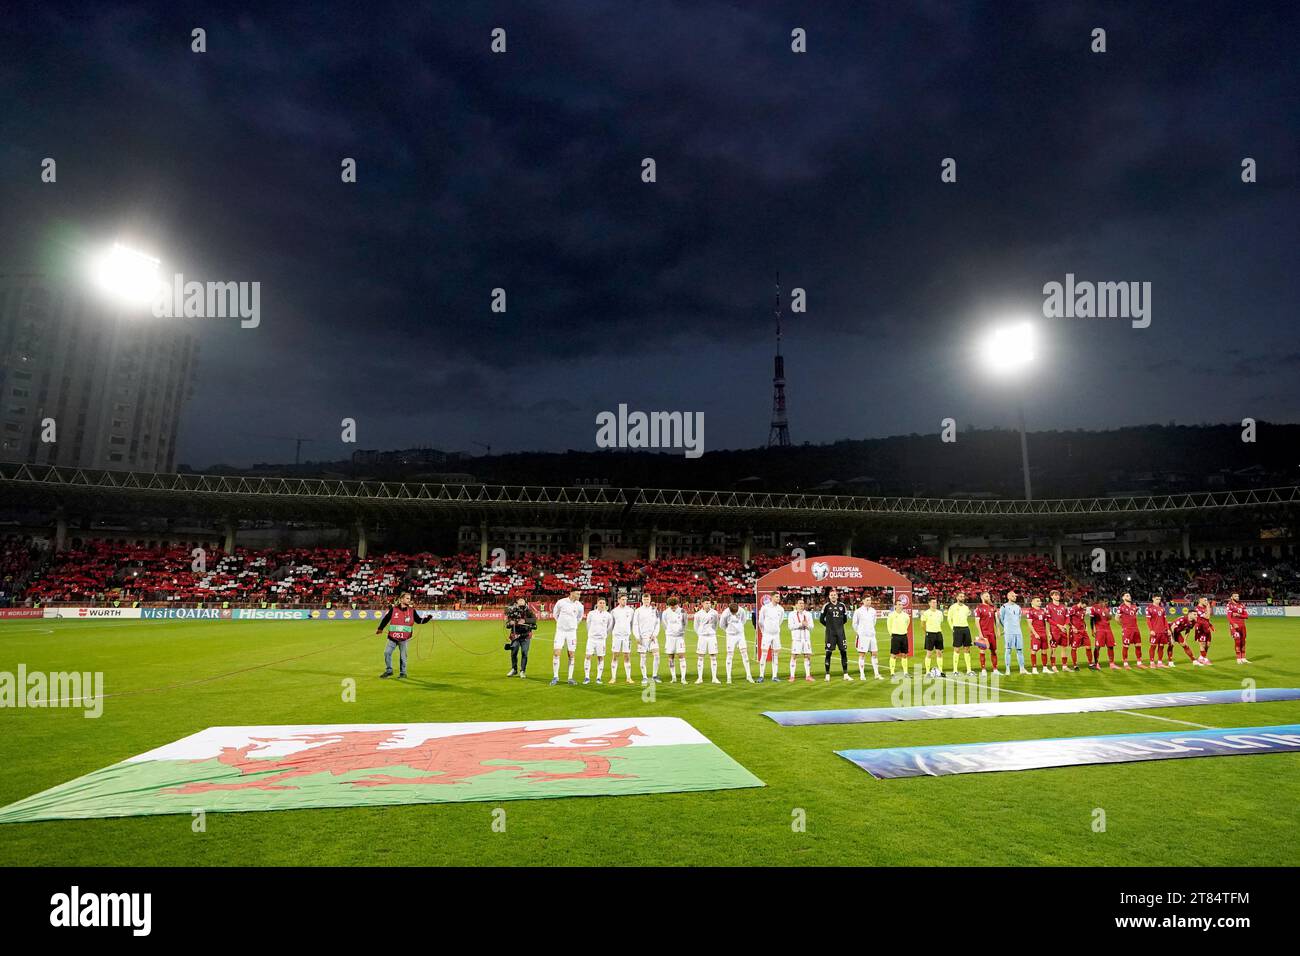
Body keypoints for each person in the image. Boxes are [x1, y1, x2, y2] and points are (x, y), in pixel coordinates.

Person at [375, 591, 432, 679]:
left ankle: (403, 673)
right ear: (401, 599)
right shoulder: (393, 609)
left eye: (410, 598)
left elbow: (418, 620)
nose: (409, 600)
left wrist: (427, 619)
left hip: (404, 639)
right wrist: (380, 628)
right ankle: (389, 671)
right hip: (392, 637)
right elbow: (386, 619)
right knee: (387, 653)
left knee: (403, 656)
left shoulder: (412, 610)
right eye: (407, 598)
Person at [551, 590, 585, 685]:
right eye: (577, 594)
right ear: (571, 593)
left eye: (579, 594)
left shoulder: (579, 606)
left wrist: (573, 625)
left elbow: (579, 618)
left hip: (572, 632)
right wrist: (561, 624)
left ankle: (570, 678)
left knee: (571, 654)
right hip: (560, 631)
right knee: (556, 653)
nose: (579, 596)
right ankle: (555, 677)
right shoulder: (561, 602)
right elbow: (555, 614)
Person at [820, 588, 853, 681]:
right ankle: (827, 674)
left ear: (837, 596)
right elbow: (821, 619)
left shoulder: (842, 605)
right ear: (829, 597)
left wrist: (838, 626)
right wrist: (829, 627)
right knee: (828, 653)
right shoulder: (826, 606)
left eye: (834, 595)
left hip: (841, 633)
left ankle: (846, 674)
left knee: (843, 652)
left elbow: (845, 619)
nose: (833, 596)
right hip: (830, 634)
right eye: (831, 595)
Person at [720, 601, 754, 683]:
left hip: (740, 635)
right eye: (733, 613)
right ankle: (729, 677)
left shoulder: (741, 610)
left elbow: (744, 620)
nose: (735, 614)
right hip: (730, 636)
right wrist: (729, 630)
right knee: (730, 655)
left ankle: (749, 676)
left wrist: (739, 629)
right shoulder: (725, 613)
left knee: (745, 654)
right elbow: (722, 625)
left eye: (736, 612)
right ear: (730, 610)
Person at [504, 596, 538, 678]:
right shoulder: (512, 611)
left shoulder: (529, 611)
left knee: (524, 653)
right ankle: (514, 669)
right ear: (517, 604)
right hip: (515, 635)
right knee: (514, 652)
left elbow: (534, 620)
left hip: (525, 636)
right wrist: (510, 623)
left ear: (525, 604)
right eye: (520, 605)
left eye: (522, 605)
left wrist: (525, 620)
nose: (521, 607)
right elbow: (507, 625)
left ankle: (522, 671)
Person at [756, 594, 785, 682]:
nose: (778, 598)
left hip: (776, 635)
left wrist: (775, 628)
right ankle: (761, 676)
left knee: (775, 655)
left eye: (779, 597)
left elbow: (780, 620)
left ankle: (774, 676)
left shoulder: (781, 609)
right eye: (776, 597)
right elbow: (760, 621)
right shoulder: (765, 608)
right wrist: (763, 631)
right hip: (767, 634)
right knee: (764, 654)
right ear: (772, 598)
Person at [633, 592, 661, 684]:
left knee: (657, 655)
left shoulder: (654, 610)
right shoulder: (638, 611)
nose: (646, 601)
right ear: (642, 600)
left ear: (650, 600)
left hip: (652, 637)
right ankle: (644, 677)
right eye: (644, 599)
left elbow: (657, 623)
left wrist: (655, 634)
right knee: (643, 657)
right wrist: (637, 636)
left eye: (647, 599)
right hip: (642, 638)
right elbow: (635, 624)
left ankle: (654, 676)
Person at [852, 594, 882, 680]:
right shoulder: (858, 611)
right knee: (862, 654)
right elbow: (854, 624)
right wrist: (860, 632)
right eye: (867, 600)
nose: (869, 602)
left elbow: (874, 622)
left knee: (874, 654)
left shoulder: (873, 611)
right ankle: (862, 674)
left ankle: (876, 674)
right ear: (863, 601)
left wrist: (870, 630)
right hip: (863, 636)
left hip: (872, 636)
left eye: (870, 600)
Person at [998, 590, 1027, 675]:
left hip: (1018, 631)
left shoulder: (1018, 607)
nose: (1015, 597)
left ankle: (1022, 668)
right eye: (1012, 596)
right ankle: (1007, 669)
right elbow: (1001, 619)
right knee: (1008, 650)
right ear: (1008, 597)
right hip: (1009, 632)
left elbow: (1019, 618)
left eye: (1015, 596)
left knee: (1020, 650)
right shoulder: (1004, 607)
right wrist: (1006, 628)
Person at [584, 597, 612, 684]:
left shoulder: (608, 615)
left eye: (603, 603)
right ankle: (587, 677)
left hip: (601, 640)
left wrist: (604, 635)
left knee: (600, 657)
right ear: (597, 604)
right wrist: (591, 634)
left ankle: (598, 678)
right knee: (588, 656)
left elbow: (609, 628)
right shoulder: (591, 613)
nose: (602, 604)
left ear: (605, 604)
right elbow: (588, 625)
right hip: (591, 639)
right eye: (600, 603)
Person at [693, 598, 721, 684]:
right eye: (706, 603)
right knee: (700, 656)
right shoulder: (698, 614)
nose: (708, 605)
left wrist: (712, 632)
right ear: (702, 603)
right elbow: (696, 626)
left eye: (709, 603)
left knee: (713, 656)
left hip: (712, 637)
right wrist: (701, 634)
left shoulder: (715, 613)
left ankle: (714, 678)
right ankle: (700, 678)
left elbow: (716, 624)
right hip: (702, 637)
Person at [609, 593, 636, 684]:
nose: (624, 601)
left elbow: (632, 624)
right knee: (615, 655)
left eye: (625, 599)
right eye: (623, 599)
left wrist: (629, 632)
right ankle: (613, 678)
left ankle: (628, 678)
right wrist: (614, 633)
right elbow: (611, 624)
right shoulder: (614, 611)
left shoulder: (631, 611)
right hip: (616, 636)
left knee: (627, 656)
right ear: (618, 600)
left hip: (626, 637)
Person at [787, 598, 815, 682]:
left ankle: (808, 675)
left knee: (807, 656)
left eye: (802, 603)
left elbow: (812, 626)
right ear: (796, 605)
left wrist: (807, 625)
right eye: (799, 603)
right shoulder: (792, 614)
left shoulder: (808, 614)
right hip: (797, 639)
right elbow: (790, 626)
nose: (801, 605)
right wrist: (800, 624)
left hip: (806, 639)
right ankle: (792, 676)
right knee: (794, 656)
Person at [661, 596, 688, 683]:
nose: (673, 608)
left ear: (677, 604)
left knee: (681, 655)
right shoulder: (665, 612)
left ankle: (683, 678)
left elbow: (685, 623)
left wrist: (681, 632)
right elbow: (664, 624)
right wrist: (669, 631)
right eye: (671, 607)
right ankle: (673, 677)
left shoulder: (683, 611)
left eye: (674, 607)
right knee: (670, 656)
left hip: (679, 637)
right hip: (670, 637)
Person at [946, 591, 973, 675]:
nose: (962, 598)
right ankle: (955, 670)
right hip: (957, 628)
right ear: (957, 597)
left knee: (967, 649)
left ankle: (969, 670)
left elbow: (967, 615)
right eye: (960, 596)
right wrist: (953, 628)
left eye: (963, 596)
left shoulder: (966, 607)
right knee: (957, 649)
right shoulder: (952, 607)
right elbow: (949, 619)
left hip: (966, 628)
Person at [1117, 592, 1146, 669]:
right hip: (1127, 629)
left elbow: (1133, 616)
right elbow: (1117, 618)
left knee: (1138, 646)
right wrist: (1123, 625)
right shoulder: (1121, 607)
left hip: (1135, 629)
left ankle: (1139, 663)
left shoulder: (1134, 606)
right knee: (1126, 646)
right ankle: (1125, 663)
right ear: (1123, 598)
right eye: (1127, 596)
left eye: (1129, 595)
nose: (1129, 597)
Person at [1089, 595, 1117, 669]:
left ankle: (1112, 663)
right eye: (1105, 601)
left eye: (1107, 601)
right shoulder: (1094, 608)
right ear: (1101, 601)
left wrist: (1106, 612)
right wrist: (1092, 630)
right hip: (1099, 629)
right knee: (1097, 646)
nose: (1107, 603)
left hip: (1108, 629)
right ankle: (1096, 663)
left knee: (1110, 646)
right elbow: (1091, 620)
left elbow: (1110, 618)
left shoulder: (1107, 608)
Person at [974, 591, 998, 673]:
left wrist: (998, 630)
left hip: (992, 633)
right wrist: (980, 633)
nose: (989, 597)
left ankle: (995, 669)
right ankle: (983, 669)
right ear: (982, 597)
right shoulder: (979, 608)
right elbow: (977, 622)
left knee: (994, 651)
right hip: (984, 632)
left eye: (989, 596)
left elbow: (996, 620)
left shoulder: (993, 607)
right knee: (982, 650)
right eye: (986, 596)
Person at [1025, 596, 1051, 674]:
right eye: (1037, 601)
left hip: (1043, 634)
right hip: (1036, 635)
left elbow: (1046, 623)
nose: (1040, 602)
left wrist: (1048, 633)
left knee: (1044, 651)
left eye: (1040, 601)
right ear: (1032, 602)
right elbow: (1029, 624)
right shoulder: (1030, 611)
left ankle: (1045, 668)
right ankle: (1034, 668)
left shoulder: (1043, 611)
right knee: (1034, 651)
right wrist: (1035, 634)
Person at [886, 599, 911, 677]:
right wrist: (892, 634)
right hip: (895, 636)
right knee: (893, 655)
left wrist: (903, 631)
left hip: (904, 636)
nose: (901, 606)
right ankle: (892, 673)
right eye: (899, 604)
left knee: (904, 655)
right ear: (895, 606)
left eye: (901, 604)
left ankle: (905, 672)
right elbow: (889, 625)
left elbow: (907, 623)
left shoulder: (906, 615)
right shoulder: (891, 615)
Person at [1046, 590, 1070, 671]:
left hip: (1063, 630)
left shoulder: (1063, 606)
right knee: (1053, 649)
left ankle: (1064, 666)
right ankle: (1053, 666)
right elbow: (1048, 619)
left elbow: (1067, 617)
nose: (1057, 596)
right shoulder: (1049, 606)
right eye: (1055, 595)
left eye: (1058, 595)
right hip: (1054, 631)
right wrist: (1058, 625)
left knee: (1064, 648)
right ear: (1051, 596)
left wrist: (1065, 625)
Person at [1145, 593, 1171, 667]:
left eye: (1159, 599)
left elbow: (1165, 620)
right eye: (1157, 599)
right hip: (1155, 631)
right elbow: (1148, 620)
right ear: (1153, 599)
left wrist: (1168, 629)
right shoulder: (1149, 608)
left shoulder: (1162, 608)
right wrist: (1151, 630)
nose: (1158, 600)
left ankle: (1160, 662)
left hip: (1163, 631)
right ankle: (1152, 662)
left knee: (1161, 646)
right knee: (1153, 646)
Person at [921, 597, 945, 675]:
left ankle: (940, 670)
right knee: (929, 653)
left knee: (939, 652)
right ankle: (928, 671)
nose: (935, 604)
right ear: (929, 603)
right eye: (933, 602)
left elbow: (940, 622)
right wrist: (926, 632)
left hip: (938, 633)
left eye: (935, 602)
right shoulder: (926, 613)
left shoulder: (940, 613)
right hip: (930, 634)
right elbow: (923, 624)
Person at [1226, 592, 1250, 664]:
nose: (1237, 597)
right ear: (1232, 597)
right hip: (1234, 626)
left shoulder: (1242, 605)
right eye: (1235, 596)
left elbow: (1246, 616)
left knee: (1243, 641)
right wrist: (1233, 624)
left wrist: (1238, 615)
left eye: (1238, 596)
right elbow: (1228, 617)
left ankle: (1243, 658)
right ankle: (1238, 658)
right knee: (1237, 641)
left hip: (1242, 625)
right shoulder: (1229, 605)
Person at [1193, 597, 1215, 666]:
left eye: (1207, 600)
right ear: (1200, 600)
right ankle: (1205, 659)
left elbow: (1208, 618)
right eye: (1205, 600)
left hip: (1206, 628)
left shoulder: (1205, 608)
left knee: (1208, 644)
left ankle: (1201, 657)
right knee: (1202, 644)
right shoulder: (1197, 609)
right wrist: (1208, 607)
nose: (1206, 601)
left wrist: (1210, 625)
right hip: (1201, 629)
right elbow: (1207, 616)